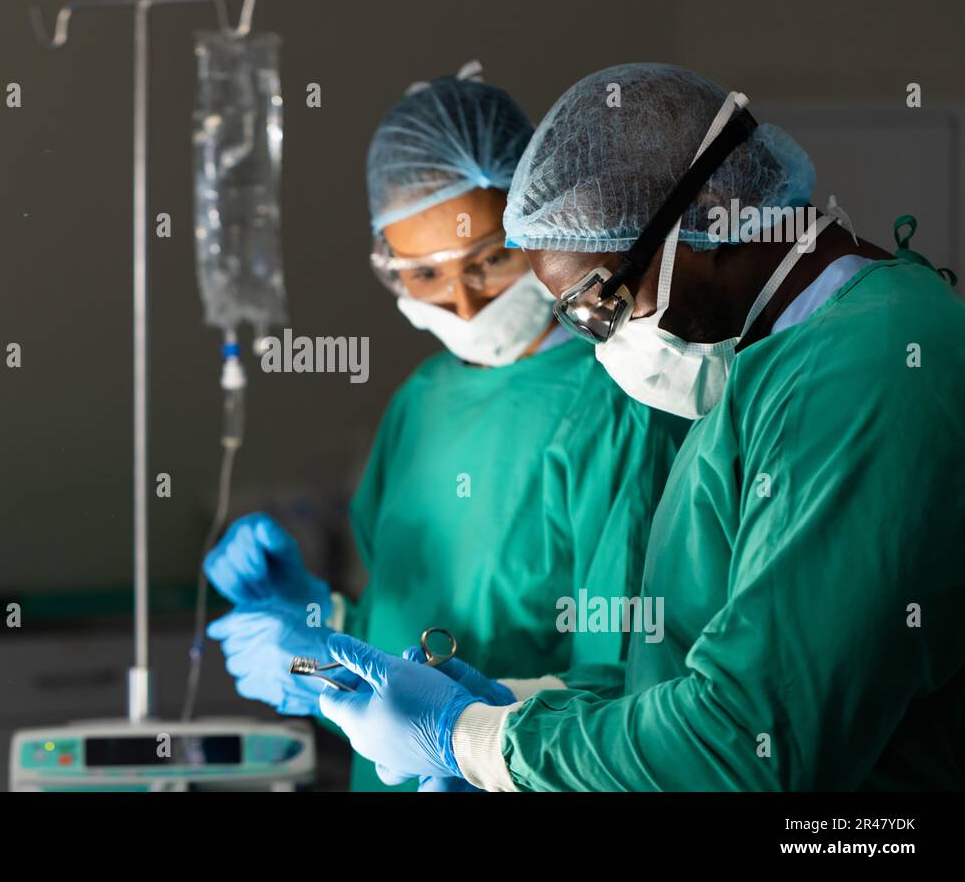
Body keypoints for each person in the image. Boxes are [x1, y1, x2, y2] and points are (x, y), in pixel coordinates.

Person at [316, 63, 965, 791]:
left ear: (713, 217)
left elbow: (753, 740)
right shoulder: (759, 372)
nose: (605, 345)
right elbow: (678, 678)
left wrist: (475, 742)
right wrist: (516, 705)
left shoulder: (866, 367)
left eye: (603, 306)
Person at [204, 64, 688, 791]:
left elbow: (632, 687)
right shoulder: (421, 401)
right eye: (424, 275)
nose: (462, 305)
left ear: (538, 224)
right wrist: (317, 624)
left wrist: (464, 731)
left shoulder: (621, 400)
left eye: (488, 260)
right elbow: (401, 624)